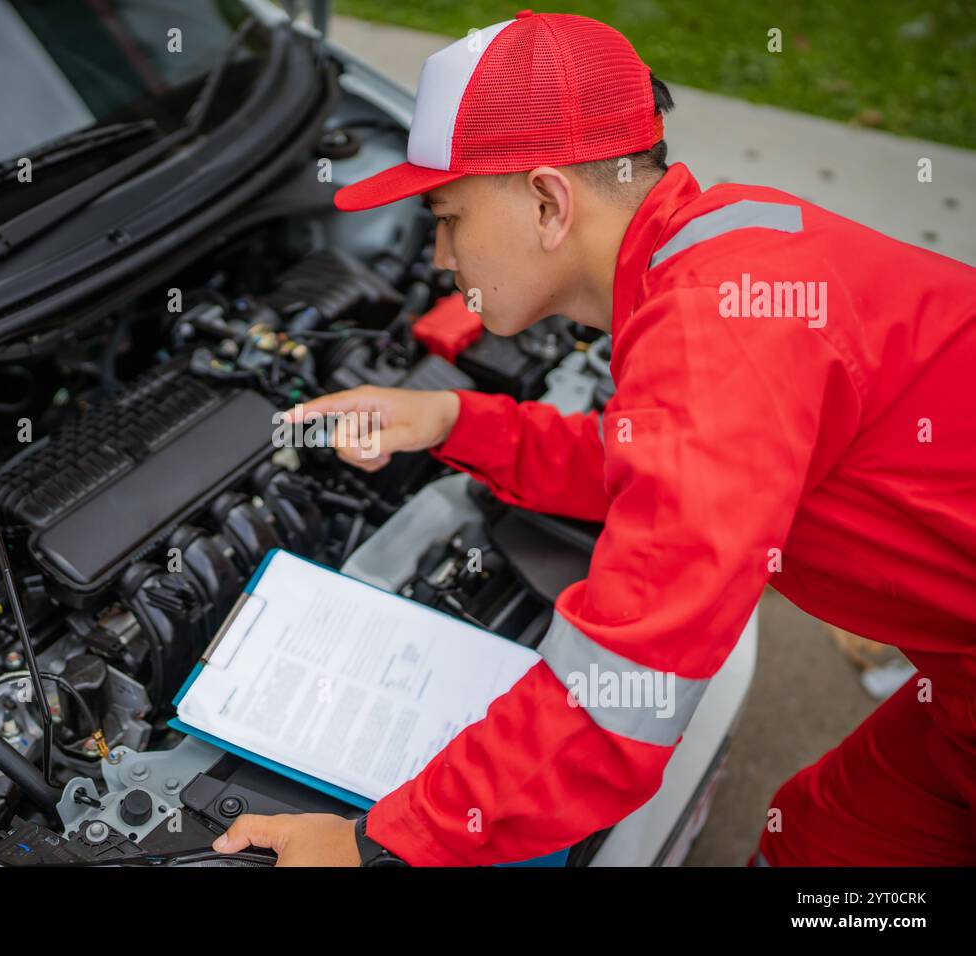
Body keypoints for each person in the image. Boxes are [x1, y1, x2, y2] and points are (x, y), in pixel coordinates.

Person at [210, 10, 976, 866]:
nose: (438, 257)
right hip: (958, 683)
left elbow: (619, 700)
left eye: (449, 217)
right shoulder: (721, 250)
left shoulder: (712, 331)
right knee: (819, 841)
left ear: (548, 201)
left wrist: (373, 846)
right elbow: (667, 472)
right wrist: (456, 421)